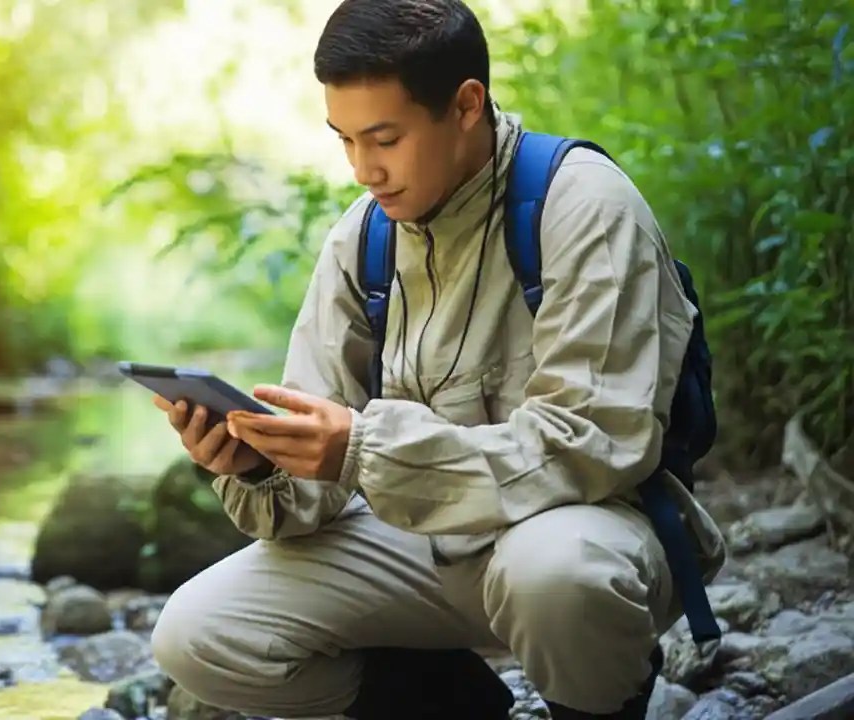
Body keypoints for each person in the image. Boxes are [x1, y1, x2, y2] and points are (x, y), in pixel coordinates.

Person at [147, 1, 727, 718]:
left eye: (384, 139)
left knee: (557, 575)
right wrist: (260, 464)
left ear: (466, 105)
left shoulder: (584, 205)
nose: (363, 170)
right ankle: (462, 707)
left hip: (589, 535)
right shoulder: (362, 239)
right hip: (425, 546)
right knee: (197, 635)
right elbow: (315, 486)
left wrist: (363, 450)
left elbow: (593, 444)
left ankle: (599, 702)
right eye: (345, 140)